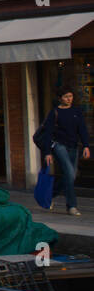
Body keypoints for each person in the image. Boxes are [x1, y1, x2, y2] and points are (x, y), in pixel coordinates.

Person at [39, 85, 91, 217]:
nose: (69, 99)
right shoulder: (54, 112)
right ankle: (72, 206)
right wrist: (47, 153)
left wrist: (86, 145)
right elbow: (48, 133)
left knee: (71, 176)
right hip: (59, 146)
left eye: (71, 96)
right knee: (69, 172)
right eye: (66, 97)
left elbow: (82, 129)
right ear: (60, 98)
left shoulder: (77, 111)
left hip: (73, 146)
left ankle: (50, 195)